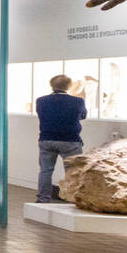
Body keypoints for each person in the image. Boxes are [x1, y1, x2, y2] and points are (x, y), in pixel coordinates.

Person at [34, 74, 87, 202]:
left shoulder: (41, 100)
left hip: (47, 139)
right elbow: (83, 116)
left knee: (45, 170)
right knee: (72, 171)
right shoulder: (78, 101)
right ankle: (72, 198)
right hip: (70, 140)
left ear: (51, 85)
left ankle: (43, 198)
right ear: (69, 86)